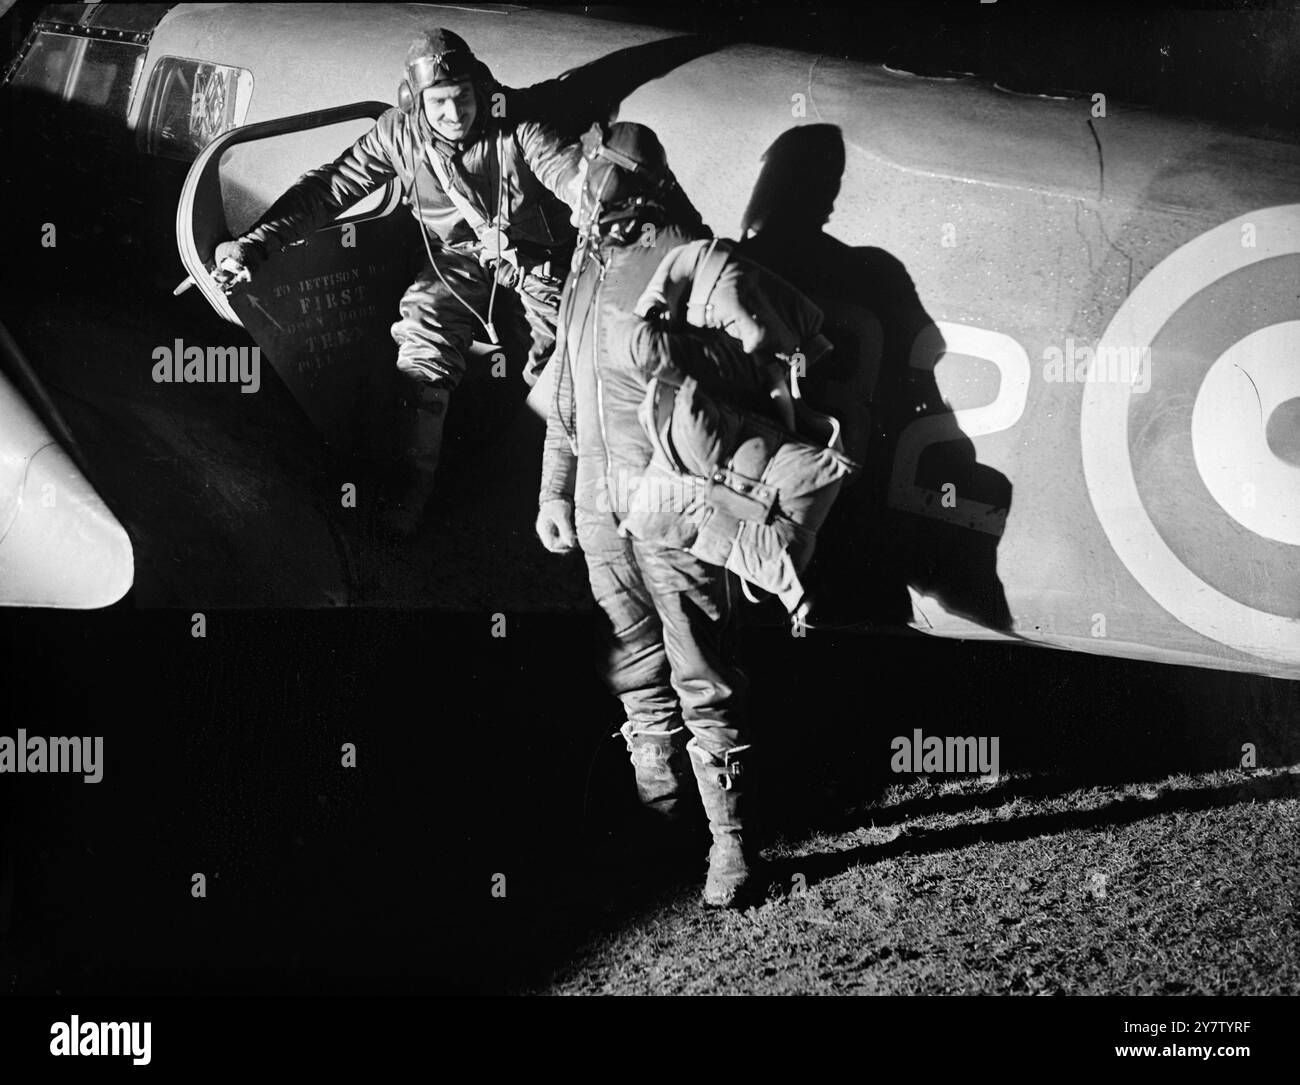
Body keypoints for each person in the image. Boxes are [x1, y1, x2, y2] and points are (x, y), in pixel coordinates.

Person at [536, 122, 826, 908]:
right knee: (636, 672)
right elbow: (565, 390)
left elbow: (765, 373)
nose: (586, 191)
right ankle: (662, 837)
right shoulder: (587, 265)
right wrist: (552, 491)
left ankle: (731, 847)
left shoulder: (690, 258)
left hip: (668, 501)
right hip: (601, 505)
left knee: (703, 671)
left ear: (636, 184)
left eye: (601, 178)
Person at [211, 28, 584, 537]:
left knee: (561, 375)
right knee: (422, 340)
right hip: (461, 260)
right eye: (439, 103)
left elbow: (571, 174)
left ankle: (529, 500)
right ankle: (406, 499)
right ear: (416, 103)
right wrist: (256, 243)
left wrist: (599, 206)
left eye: (463, 98)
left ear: (479, 89)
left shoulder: (518, 124)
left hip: (545, 266)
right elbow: (330, 188)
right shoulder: (398, 134)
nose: (455, 114)